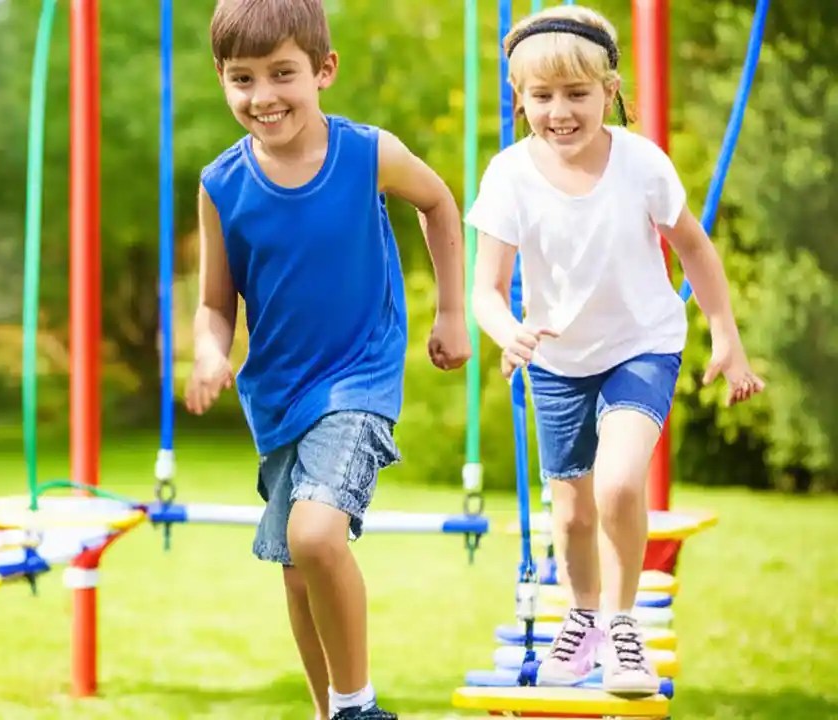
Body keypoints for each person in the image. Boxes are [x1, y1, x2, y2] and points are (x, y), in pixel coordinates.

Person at [467, 4, 764, 696]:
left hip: (641, 345)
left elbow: (694, 248)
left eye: (576, 93)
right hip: (557, 360)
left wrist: (726, 336)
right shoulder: (509, 174)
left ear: (610, 90)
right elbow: (487, 288)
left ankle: (623, 628)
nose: (559, 111)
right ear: (520, 98)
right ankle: (583, 618)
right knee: (571, 514)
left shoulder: (639, 162)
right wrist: (506, 331)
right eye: (542, 96)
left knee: (619, 484)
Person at [184, 1, 471, 717]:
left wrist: (452, 312)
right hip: (278, 397)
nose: (263, 95)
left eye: (282, 73)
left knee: (314, 536)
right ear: (221, 78)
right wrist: (209, 353)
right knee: (296, 568)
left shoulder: (367, 154)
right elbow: (216, 302)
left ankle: (356, 704)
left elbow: (438, 203)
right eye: (242, 78)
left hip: (359, 377)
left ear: (324, 70)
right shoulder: (221, 185)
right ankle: (333, 709)